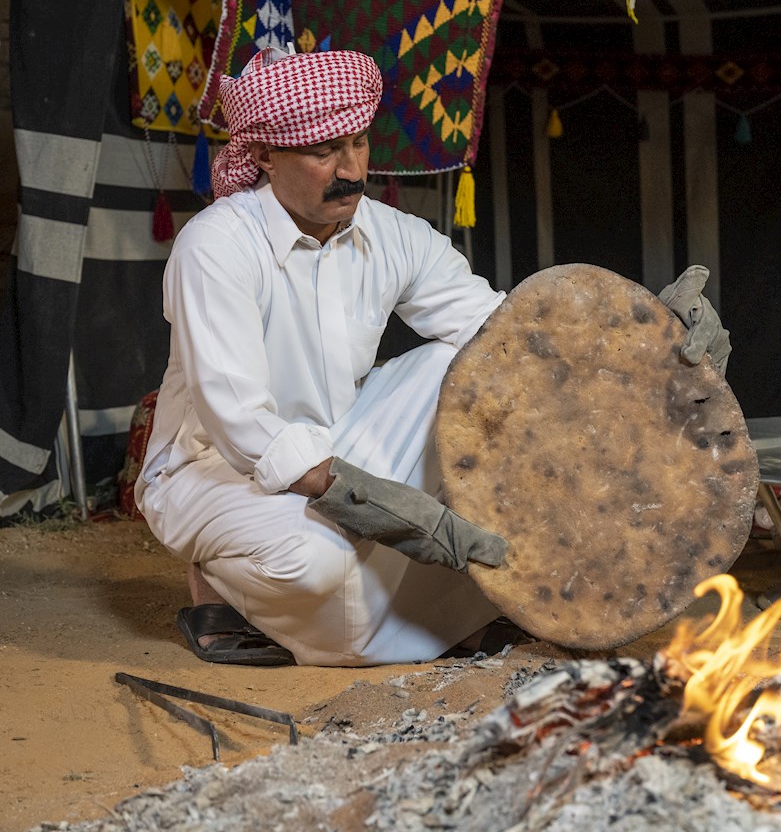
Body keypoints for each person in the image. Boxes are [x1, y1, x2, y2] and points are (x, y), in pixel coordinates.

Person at [135, 47, 730, 667]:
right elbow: (241, 423)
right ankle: (218, 582)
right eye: (324, 152)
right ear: (263, 155)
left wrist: (647, 348)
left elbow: (511, 337)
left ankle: (426, 616)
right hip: (213, 471)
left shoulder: (393, 235)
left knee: (473, 366)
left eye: (358, 143)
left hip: (337, 438)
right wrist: (366, 501)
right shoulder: (217, 246)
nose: (351, 169)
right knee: (315, 566)